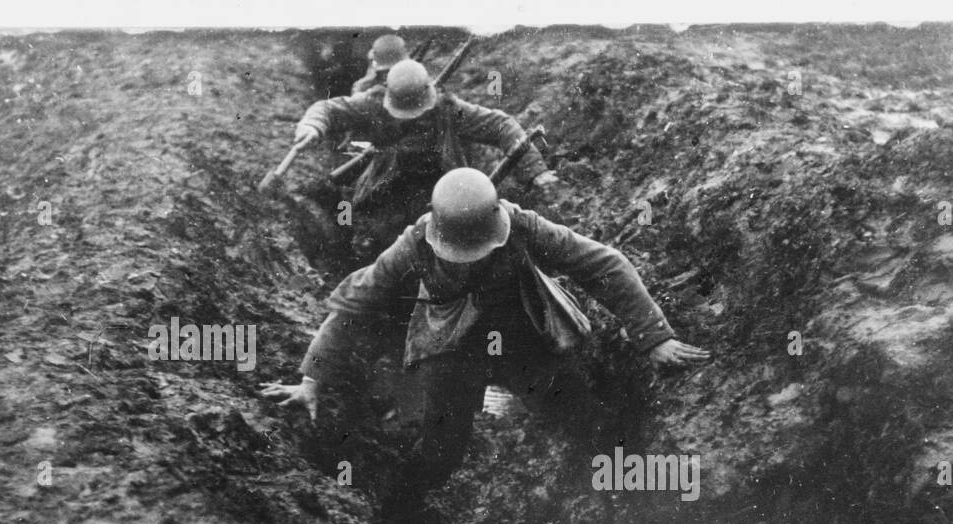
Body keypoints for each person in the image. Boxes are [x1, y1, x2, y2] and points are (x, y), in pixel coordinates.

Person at [261, 168, 709, 501]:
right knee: (441, 449)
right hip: (451, 343)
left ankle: (609, 500)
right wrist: (311, 380)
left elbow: (603, 263)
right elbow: (352, 305)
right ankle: (399, 515)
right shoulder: (414, 244)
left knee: (582, 418)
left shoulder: (522, 226)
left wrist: (654, 337)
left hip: (523, 334)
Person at [285, 59, 559, 260]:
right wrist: (312, 127)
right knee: (376, 248)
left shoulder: (450, 111)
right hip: (387, 188)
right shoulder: (372, 104)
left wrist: (536, 172)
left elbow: (502, 125)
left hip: (445, 188)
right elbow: (327, 109)